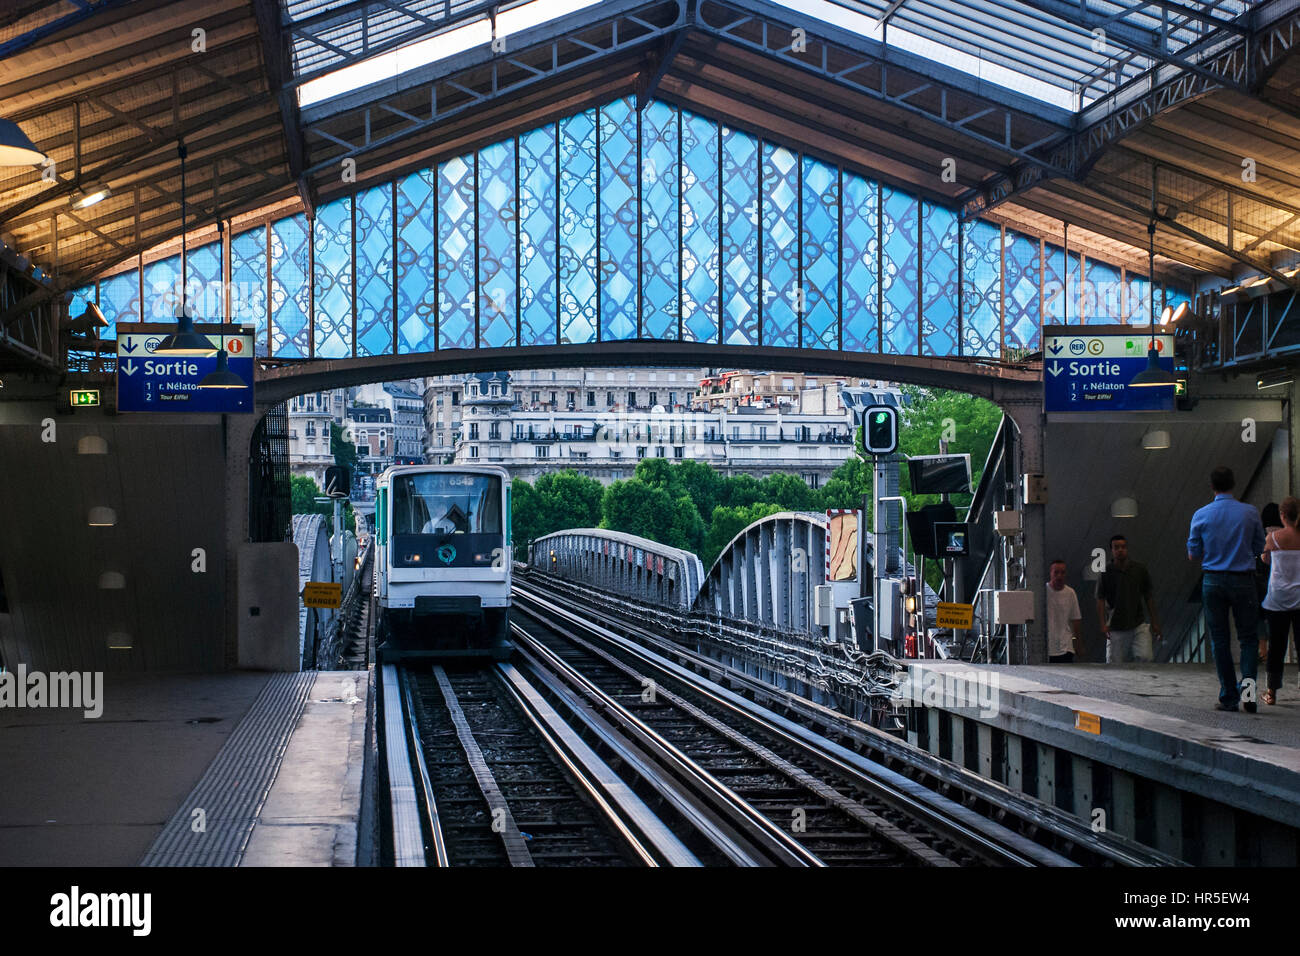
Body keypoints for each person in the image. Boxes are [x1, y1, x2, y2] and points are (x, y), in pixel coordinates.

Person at [1187, 466, 1266, 712]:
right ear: (1233, 484)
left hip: (1213, 580)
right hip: (1243, 579)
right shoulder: (1250, 513)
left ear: (1212, 487)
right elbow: (1259, 547)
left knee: (1220, 640)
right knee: (1249, 639)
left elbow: (1193, 553)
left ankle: (1229, 696)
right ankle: (1250, 695)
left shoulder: (1201, 514)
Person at [1096, 535, 1161, 662]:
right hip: (1115, 625)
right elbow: (1100, 599)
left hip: (1137, 623)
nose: (1120, 550)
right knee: (1114, 663)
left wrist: (1155, 621)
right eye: (1117, 547)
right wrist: (1103, 624)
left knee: (1146, 657)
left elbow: (1148, 596)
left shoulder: (1139, 569)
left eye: (1123, 547)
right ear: (1112, 550)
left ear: (1127, 549)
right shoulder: (1105, 572)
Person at [1261, 496, 1300, 705]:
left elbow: (1266, 559)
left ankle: (1271, 692)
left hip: (1278, 599)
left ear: (1282, 515)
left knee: (1277, 646)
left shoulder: (1273, 538)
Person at [1046, 559, 1082, 663]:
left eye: (1062, 573)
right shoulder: (1044, 591)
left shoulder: (1070, 593)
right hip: (1047, 647)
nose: (1059, 576)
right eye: (1056, 572)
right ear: (1051, 573)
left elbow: (1076, 620)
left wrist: (1077, 644)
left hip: (1066, 647)